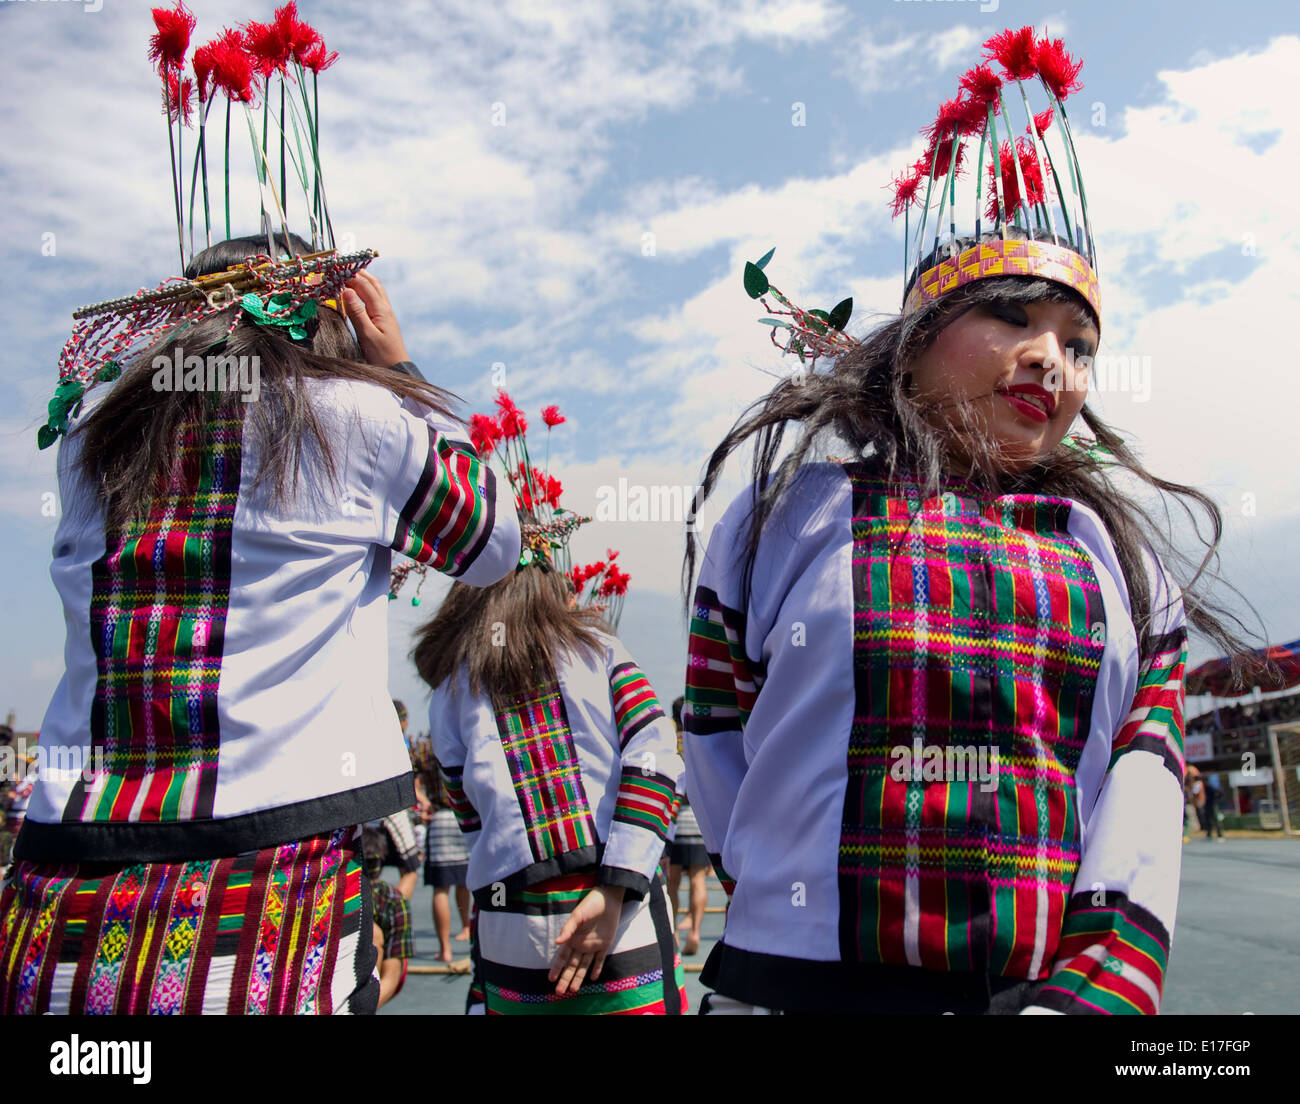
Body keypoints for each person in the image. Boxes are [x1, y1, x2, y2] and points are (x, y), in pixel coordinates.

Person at [682, 27, 1263, 1015]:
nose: (1051, 360)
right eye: (1010, 318)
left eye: (1079, 344)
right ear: (907, 350)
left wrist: (1094, 986)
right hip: (788, 985)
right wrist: (795, 902)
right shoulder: (787, 513)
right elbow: (717, 731)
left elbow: (1145, 767)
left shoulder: (1119, 563)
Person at [0, 234, 520, 1015]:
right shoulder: (352, 415)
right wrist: (402, 378)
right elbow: (490, 543)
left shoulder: (88, 440)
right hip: (262, 903)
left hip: (57, 912)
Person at [411, 415, 686, 1014]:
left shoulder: (452, 690)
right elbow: (657, 757)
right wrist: (615, 886)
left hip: (512, 931)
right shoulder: (598, 650)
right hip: (619, 917)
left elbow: (473, 820)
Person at [665, 696, 709, 956]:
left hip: (674, 818)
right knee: (698, 879)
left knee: (672, 883)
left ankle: (672, 933)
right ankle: (695, 931)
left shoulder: (671, 743)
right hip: (698, 818)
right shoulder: (697, 740)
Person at [363, 824, 413, 1008]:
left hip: (369, 983)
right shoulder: (394, 900)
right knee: (374, 933)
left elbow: (391, 978)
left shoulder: (392, 901)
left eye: (371, 863)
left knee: (375, 934)